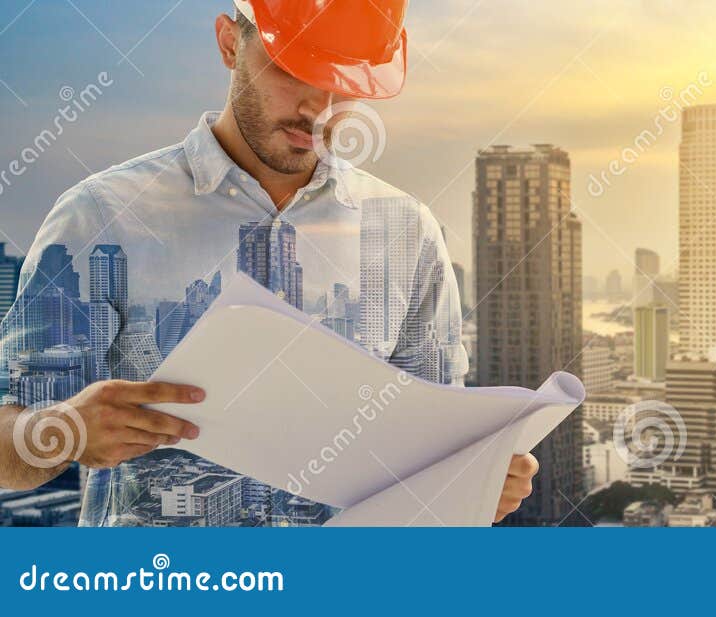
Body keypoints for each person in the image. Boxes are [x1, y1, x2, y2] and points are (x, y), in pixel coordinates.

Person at [0, 0, 539, 526]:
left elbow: (434, 452)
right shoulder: (101, 216)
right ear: (230, 43)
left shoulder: (407, 231)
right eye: (294, 69)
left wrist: (471, 486)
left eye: (346, 80)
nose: (320, 107)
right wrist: (62, 430)